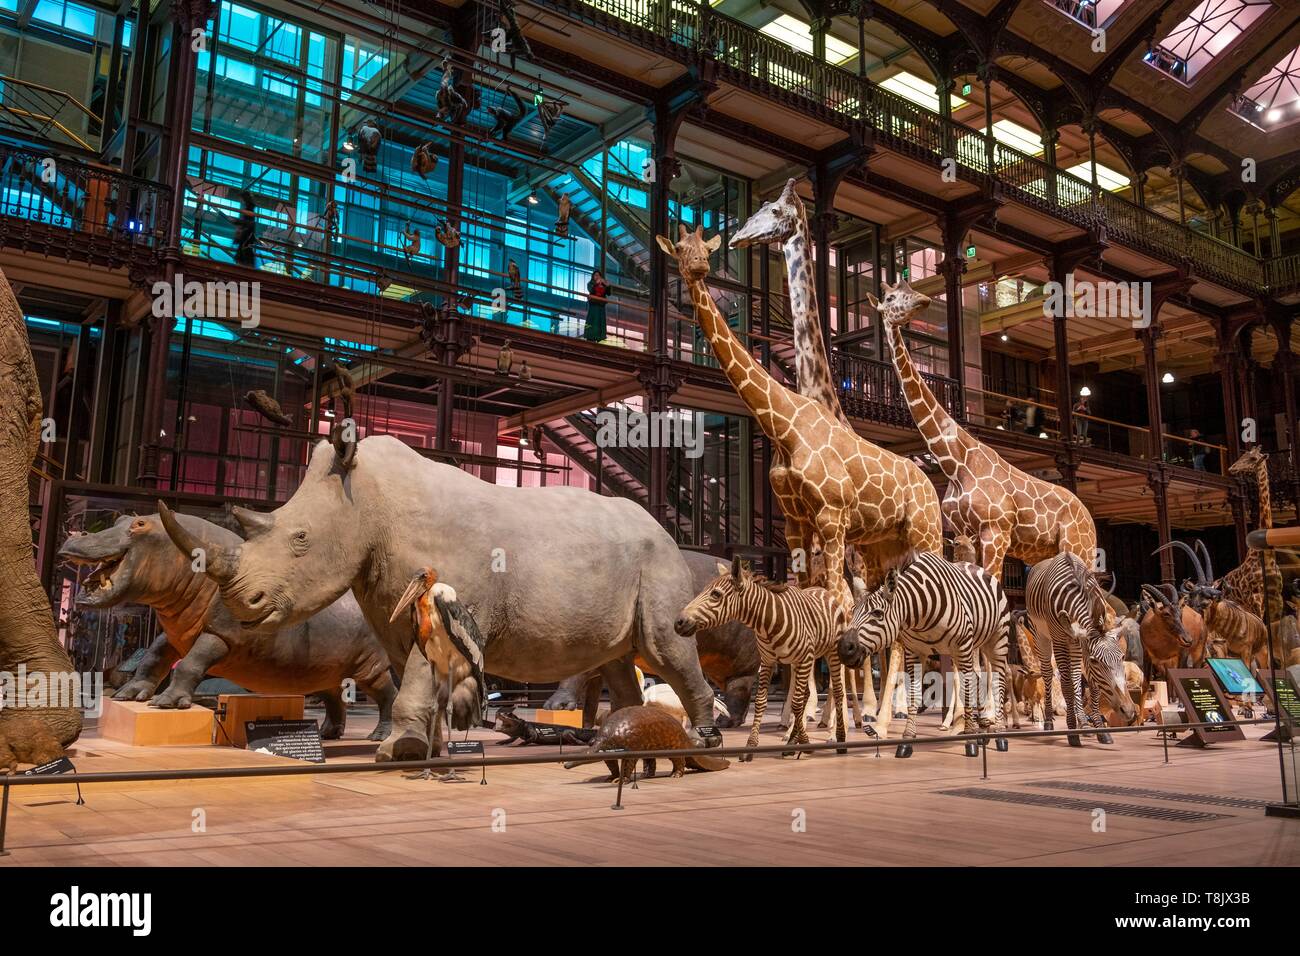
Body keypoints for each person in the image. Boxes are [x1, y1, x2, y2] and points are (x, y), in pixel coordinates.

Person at [584, 270, 609, 343]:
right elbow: (591, 290)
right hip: (594, 306)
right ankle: (590, 336)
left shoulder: (603, 285)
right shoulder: (590, 284)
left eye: (598, 275)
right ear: (593, 276)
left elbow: (609, 293)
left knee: (600, 321)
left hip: (601, 306)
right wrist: (596, 284)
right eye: (595, 275)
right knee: (592, 320)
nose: (597, 276)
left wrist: (608, 286)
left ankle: (600, 337)